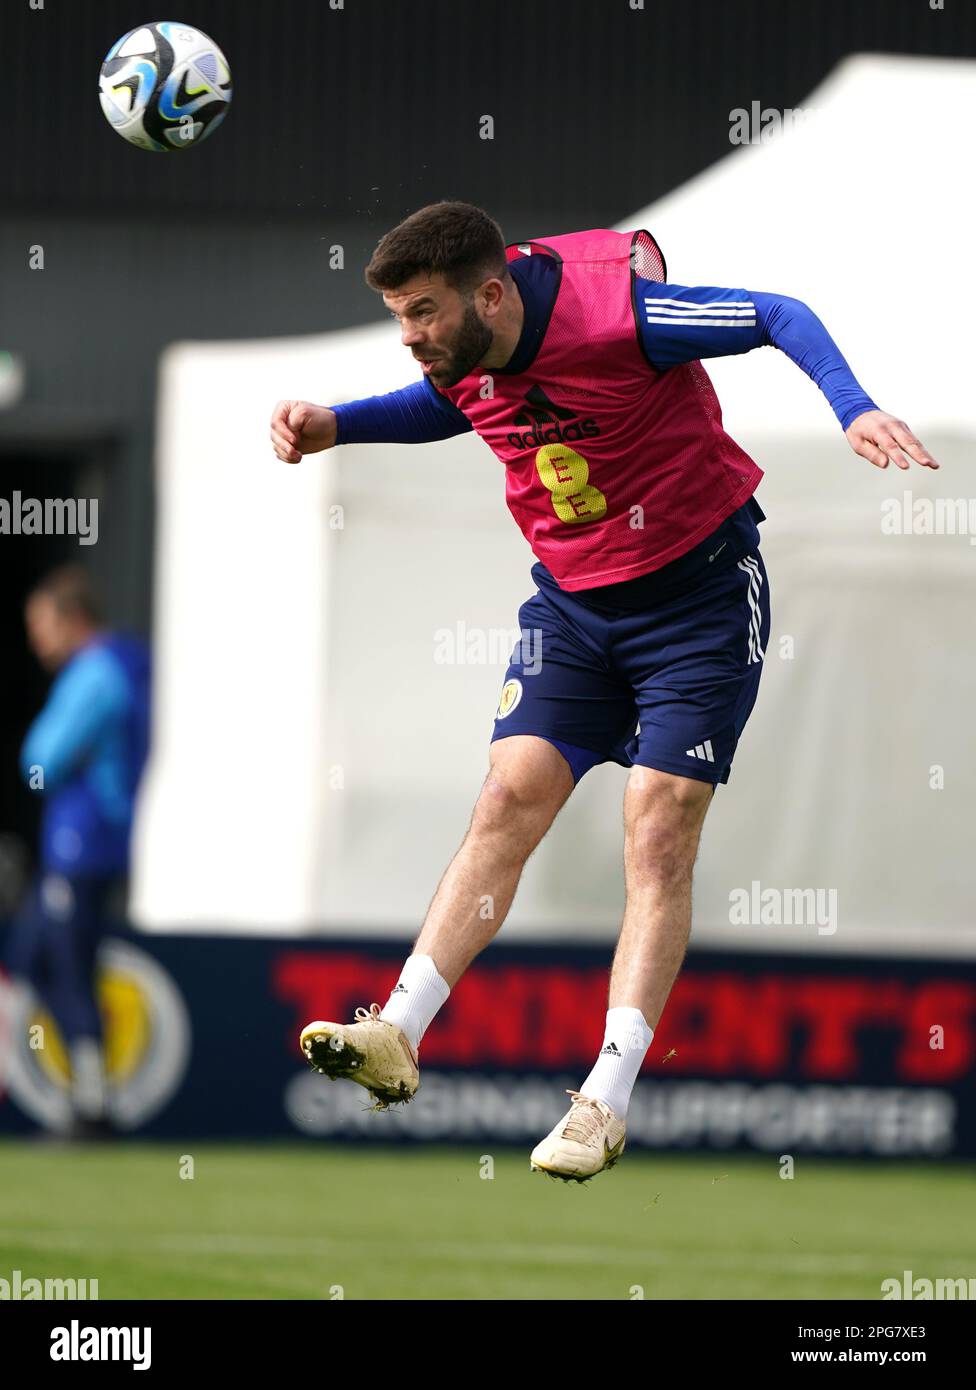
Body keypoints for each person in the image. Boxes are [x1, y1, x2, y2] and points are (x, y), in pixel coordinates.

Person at [269, 201, 937, 1180]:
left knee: (655, 828)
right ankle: (398, 1032)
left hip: (697, 599)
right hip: (574, 609)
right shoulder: (463, 355)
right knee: (506, 797)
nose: (407, 337)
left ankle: (603, 1101)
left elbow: (777, 312)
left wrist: (853, 405)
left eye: (420, 313)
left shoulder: (622, 313)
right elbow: (450, 404)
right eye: (399, 317)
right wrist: (340, 425)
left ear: (489, 294)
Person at [4, 566, 150, 1139]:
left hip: (81, 844)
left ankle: (94, 1104)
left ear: (72, 620)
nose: (37, 640)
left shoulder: (96, 675)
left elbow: (42, 759)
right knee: (37, 955)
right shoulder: (121, 668)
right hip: (88, 844)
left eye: (42, 625)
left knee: (66, 964)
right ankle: (89, 1095)